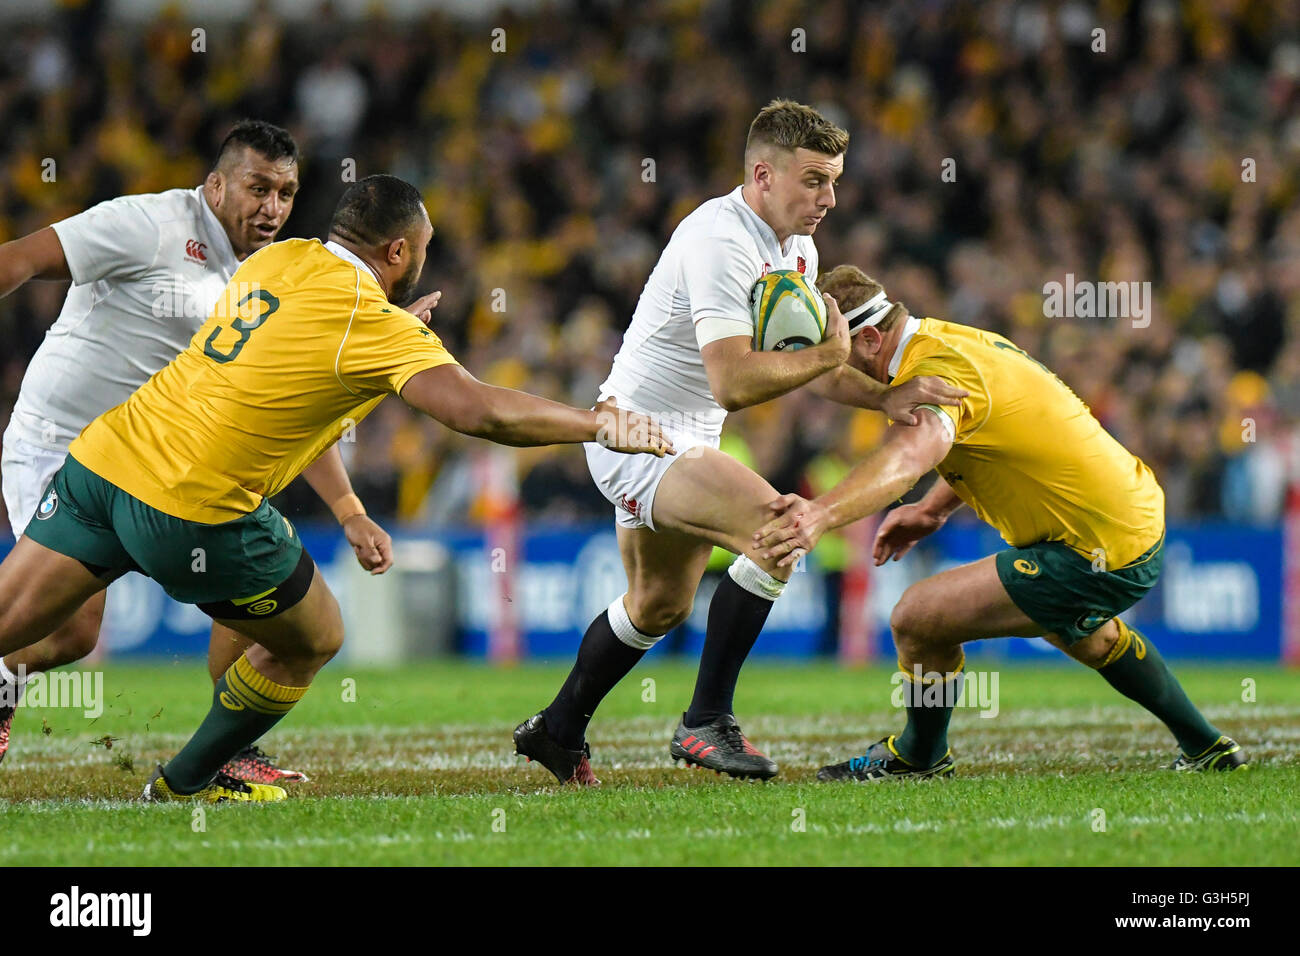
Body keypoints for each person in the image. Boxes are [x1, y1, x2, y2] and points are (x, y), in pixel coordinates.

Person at [0, 174, 672, 802]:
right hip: (188, 506)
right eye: (426, 249)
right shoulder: (370, 323)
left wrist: (349, 506)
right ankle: (186, 780)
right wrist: (595, 423)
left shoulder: (276, 261)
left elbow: (297, 382)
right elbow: (480, 410)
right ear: (400, 250)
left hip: (104, 461)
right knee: (314, 634)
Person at [513, 100, 963, 785]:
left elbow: (801, 364)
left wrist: (881, 395)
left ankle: (557, 728)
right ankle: (704, 722)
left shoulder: (796, 248)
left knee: (657, 604)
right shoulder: (720, 240)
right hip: (637, 436)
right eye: (813, 180)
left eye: (834, 180)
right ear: (761, 175)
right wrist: (827, 356)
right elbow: (732, 380)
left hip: (685, 438)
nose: (829, 199)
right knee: (782, 528)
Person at [0, 120, 397, 785]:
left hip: (172, 467)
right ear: (215, 185)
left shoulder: (278, 271)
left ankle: (231, 749)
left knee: (254, 587)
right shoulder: (147, 225)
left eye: (286, 193)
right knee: (70, 633)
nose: (271, 208)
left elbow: (285, 404)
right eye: (257, 188)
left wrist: (350, 508)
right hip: (67, 448)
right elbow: (23, 259)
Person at [754, 264, 1247, 779]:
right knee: (1085, 635)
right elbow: (1001, 436)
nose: (826, 365)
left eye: (834, 351)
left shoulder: (933, 370)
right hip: (1128, 517)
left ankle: (919, 756)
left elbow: (907, 459)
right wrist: (933, 508)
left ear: (871, 338)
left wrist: (820, 513)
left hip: (1093, 544)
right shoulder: (953, 340)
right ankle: (1207, 745)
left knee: (916, 618)